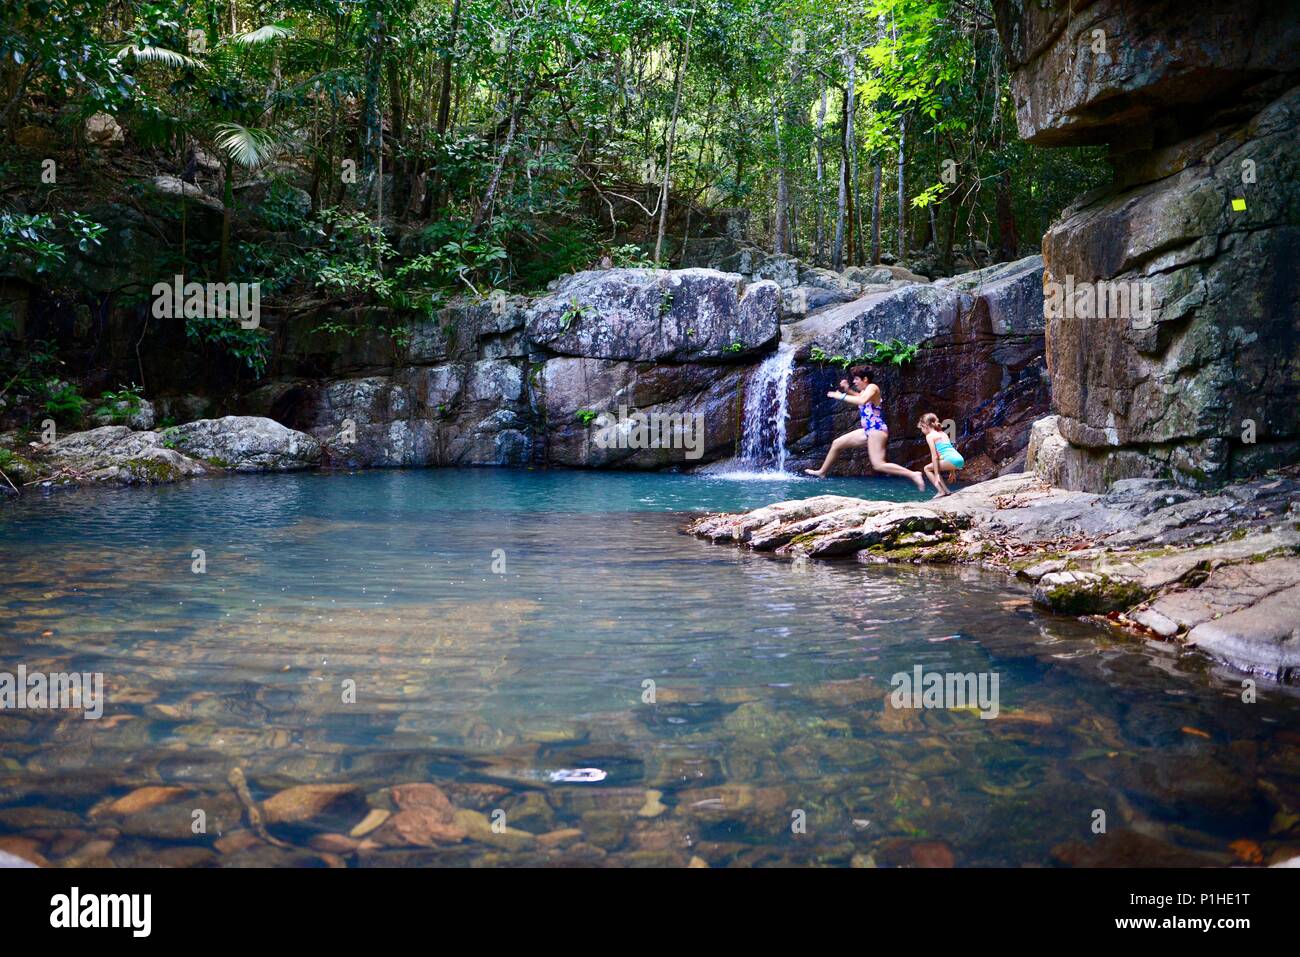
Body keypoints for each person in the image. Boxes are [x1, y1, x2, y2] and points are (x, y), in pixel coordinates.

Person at [804, 366, 925, 491]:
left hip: (876, 430)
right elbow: (859, 396)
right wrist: (847, 390)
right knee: (837, 443)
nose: (854, 382)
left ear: (865, 379)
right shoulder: (865, 391)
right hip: (867, 430)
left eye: (856, 379)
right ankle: (822, 472)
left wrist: (841, 396)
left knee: (878, 465)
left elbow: (862, 400)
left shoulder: (873, 387)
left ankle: (913, 474)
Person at [918, 412, 964, 497]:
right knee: (939, 460)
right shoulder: (943, 433)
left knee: (927, 469)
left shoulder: (930, 436)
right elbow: (949, 452)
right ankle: (946, 491)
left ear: (925, 426)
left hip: (951, 460)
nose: (921, 431)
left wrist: (936, 473)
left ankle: (941, 491)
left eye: (921, 428)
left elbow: (934, 455)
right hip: (959, 459)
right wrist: (952, 472)